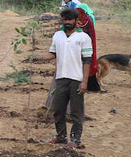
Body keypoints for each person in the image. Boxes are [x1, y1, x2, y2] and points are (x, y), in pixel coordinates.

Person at [30, 8, 92, 147]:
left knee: (76, 112)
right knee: (58, 109)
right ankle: (61, 136)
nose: (67, 22)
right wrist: (37, 59)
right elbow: (52, 54)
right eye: (64, 20)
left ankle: (76, 139)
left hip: (76, 78)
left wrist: (85, 81)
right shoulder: (58, 35)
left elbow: (87, 60)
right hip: (61, 77)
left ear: (76, 21)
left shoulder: (83, 38)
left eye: (70, 19)